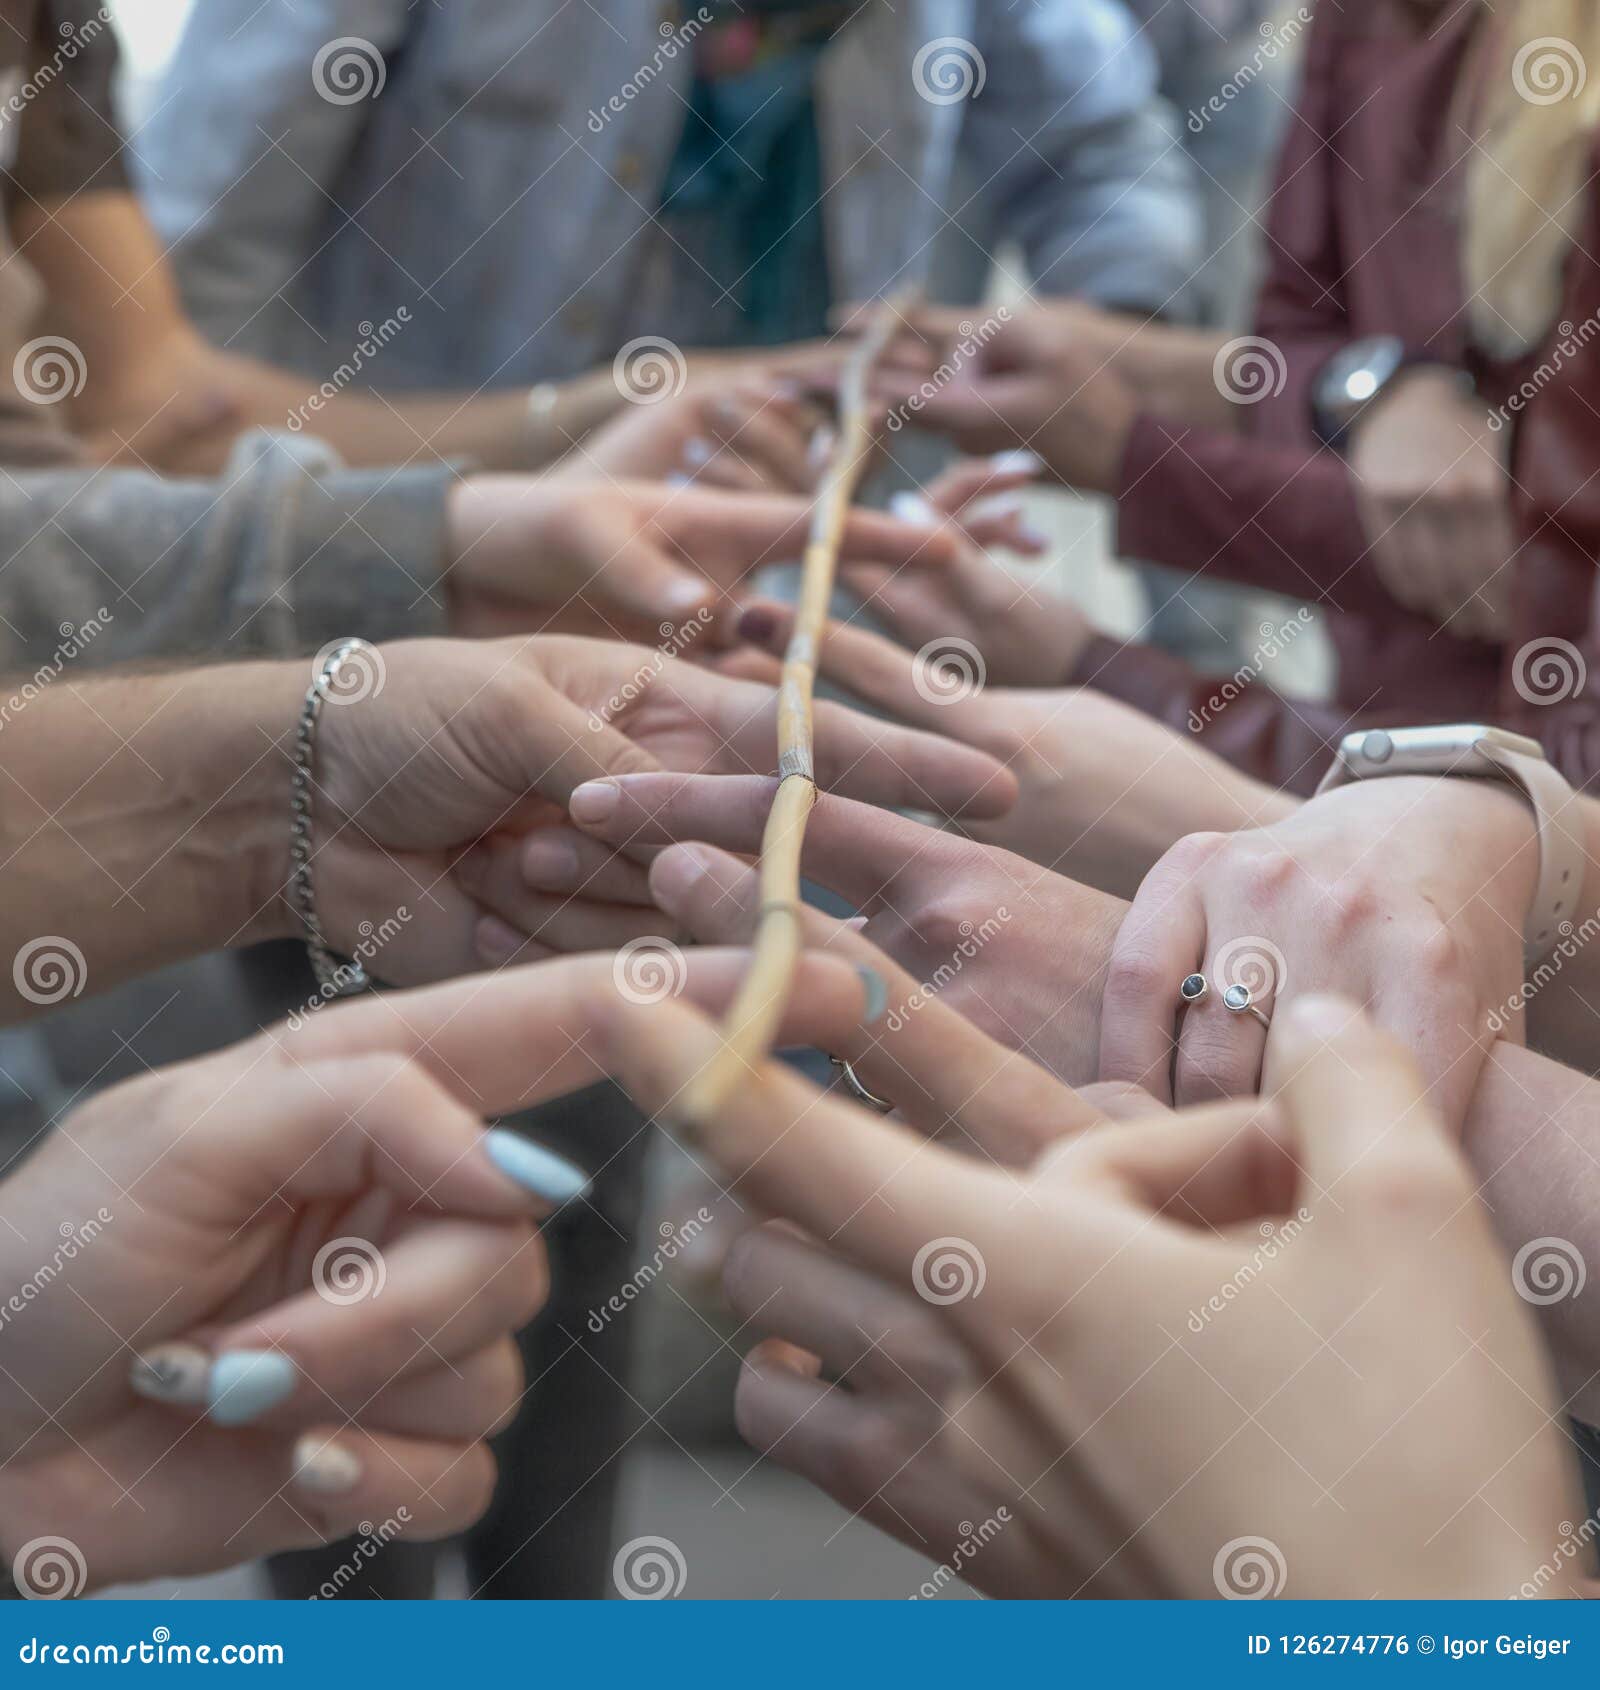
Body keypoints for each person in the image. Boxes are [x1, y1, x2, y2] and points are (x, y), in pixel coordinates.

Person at [864, 0, 1600, 793]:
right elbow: (1295, 321)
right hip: (1397, 737)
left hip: (1467, 798)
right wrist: (1364, 388)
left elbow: (1527, 606)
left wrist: (1098, 647)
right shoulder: (1364, 24)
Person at [137, 1, 1199, 405]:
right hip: (407, 489)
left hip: (769, 529)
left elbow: (1097, 149)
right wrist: (277, 512)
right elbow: (200, 251)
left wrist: (1117, 337)